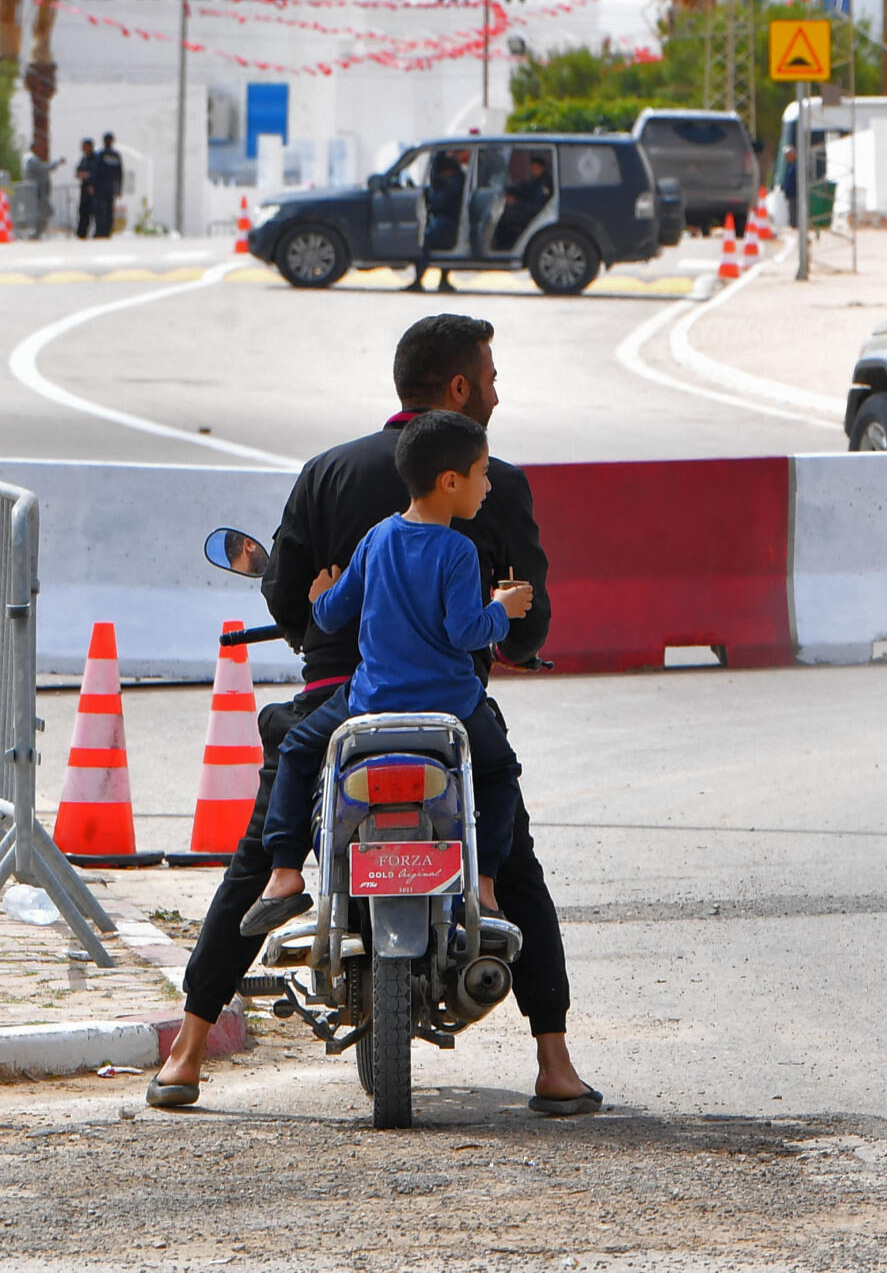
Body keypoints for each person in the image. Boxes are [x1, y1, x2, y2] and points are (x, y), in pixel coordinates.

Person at [151, 315, 595, 1117]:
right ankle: (554, 1063)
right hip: (448, 716)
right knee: (512, 854)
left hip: (343, 705)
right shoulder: (490, 484)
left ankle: (185, 1053)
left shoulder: (326, 473)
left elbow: (298, 602)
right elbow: (526, 626)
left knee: (257, 855)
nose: (498, 390)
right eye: (490, 376)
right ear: (459, 389)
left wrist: (327, 625)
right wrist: (506, 627)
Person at [240, 409, 534, 936]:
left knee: (300, 751)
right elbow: (466, 632)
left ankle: (284, 874)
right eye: (482, 473)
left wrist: (318, 595)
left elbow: (330, 616)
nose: (488, 486)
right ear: (450, 482)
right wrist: (504, 610)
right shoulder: (459, 551)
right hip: (451, 705)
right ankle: (485, 884)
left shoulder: (376, 539)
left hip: (370, 700)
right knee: (497, 773)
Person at [408, 148, 468, 294]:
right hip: (447, 221)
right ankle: (442, 281)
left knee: (424, 240)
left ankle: (419, 280)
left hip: (449, 221)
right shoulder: (451, 180)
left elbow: (440, 202)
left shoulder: (456, 181)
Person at [490, 149, 553, 253]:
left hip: (534, 214)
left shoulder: (545, 183)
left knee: (506, 218)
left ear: (542, 168)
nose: (533, 170)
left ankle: (504, 248)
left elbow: (536, 207)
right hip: (528, 208)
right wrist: (509, 190)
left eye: (536, 168)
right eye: (532, 168)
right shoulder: (537, 180)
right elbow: (526, 189)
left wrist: (516, 202)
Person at [93, 133, 125, 239]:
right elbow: (119, 173)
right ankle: (104, 231)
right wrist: (119, 188)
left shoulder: (103, 154)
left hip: (104, 186)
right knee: (105, 209)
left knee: (104, 209)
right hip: (106, 186)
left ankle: (103, 231)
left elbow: (119, 172)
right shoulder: (104, 154)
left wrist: (119, 188)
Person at [71, 138, 101, 239]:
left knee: (95, 212)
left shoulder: (96, 158)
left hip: (94, 189)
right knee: (83, 211)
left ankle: (99, 232)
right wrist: (83, 174)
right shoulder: (84, 158)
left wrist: (87, 176)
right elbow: (78, 172)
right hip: (84, 189)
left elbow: (96, 173)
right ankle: (81, 233)